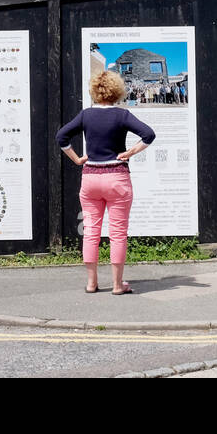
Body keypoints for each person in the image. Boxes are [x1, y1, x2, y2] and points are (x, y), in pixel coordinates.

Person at [56, 70, 155, 295]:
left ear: (95, 91)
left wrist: (77, 159)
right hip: (117, 178)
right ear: (117, 90)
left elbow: (61, 137)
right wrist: (129, 152)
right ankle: (118, 285)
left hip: (90, 178)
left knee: (91, 231)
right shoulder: (122, 115)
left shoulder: (86, 115)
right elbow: (148, 134)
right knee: (118, 232)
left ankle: (92, 283)